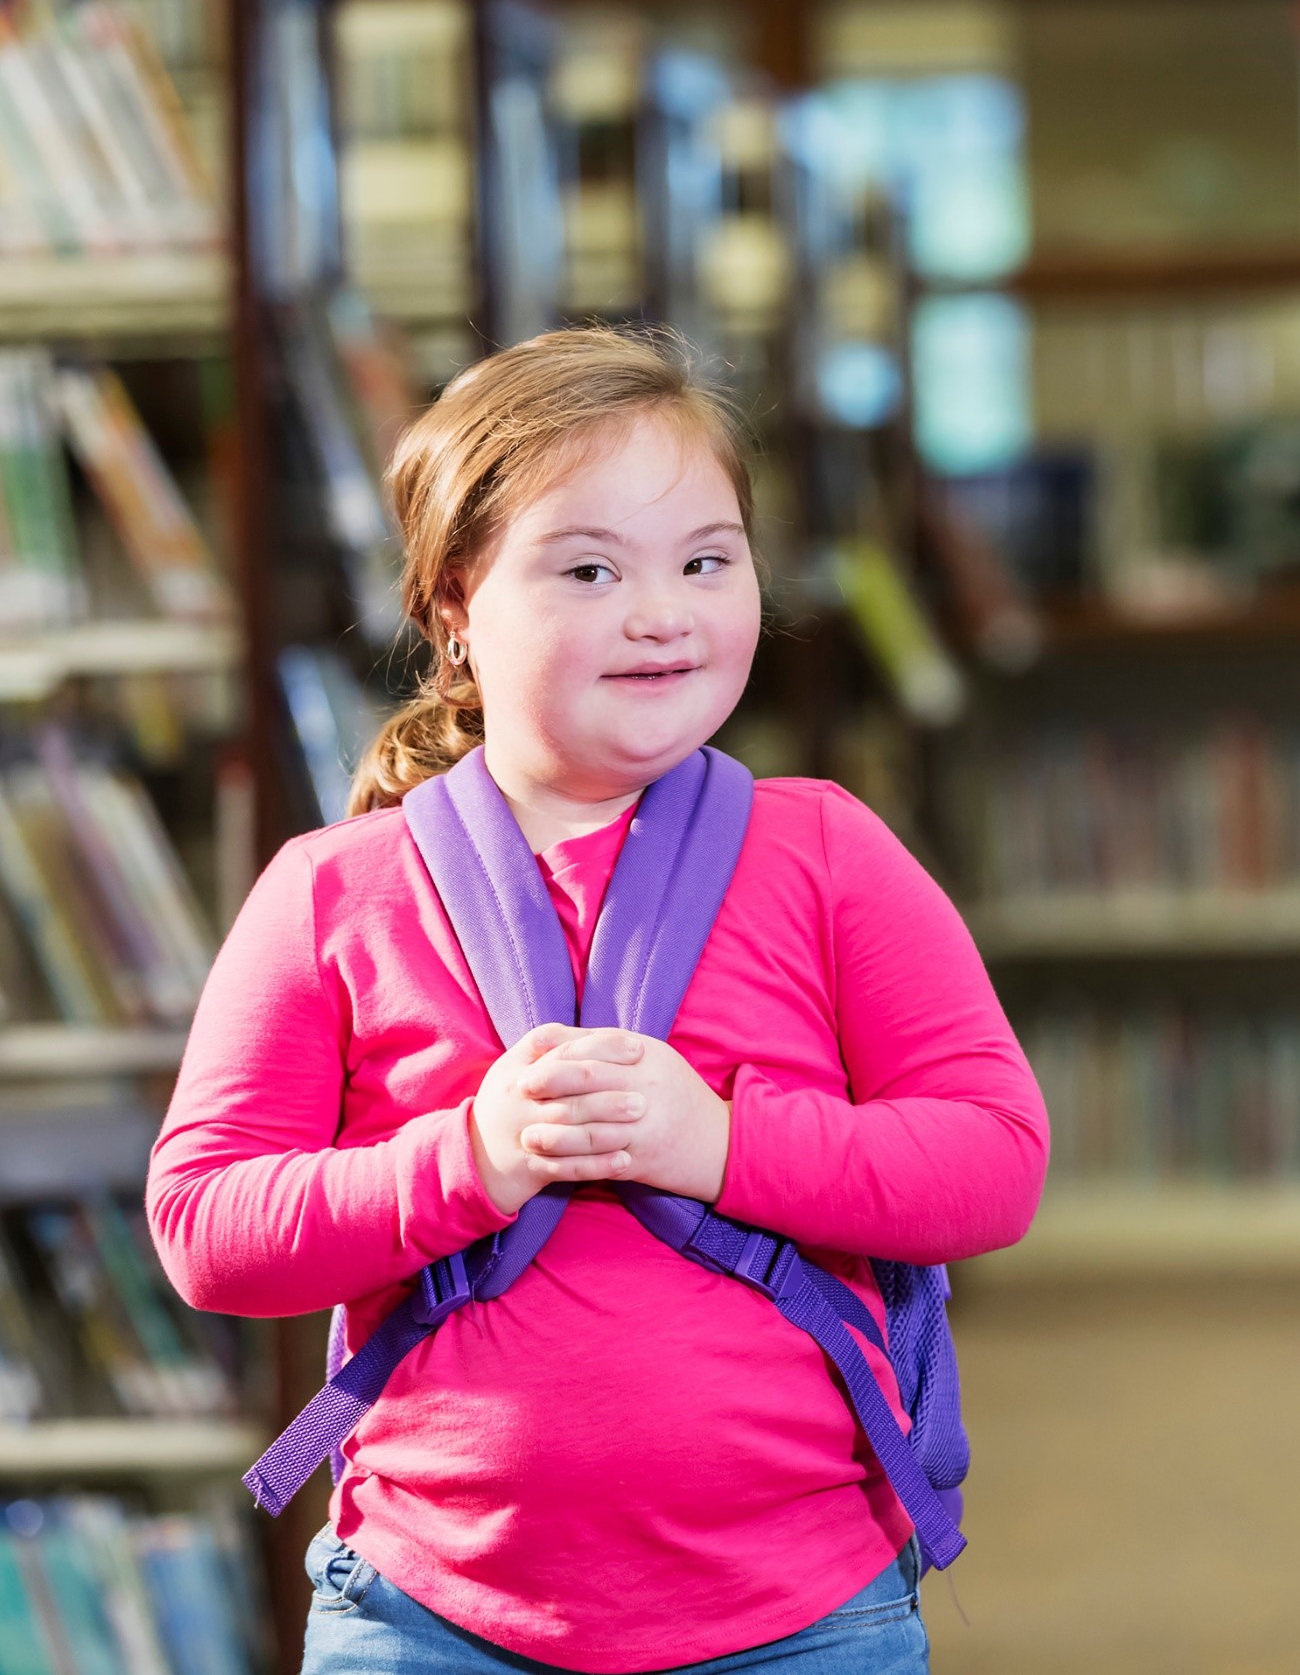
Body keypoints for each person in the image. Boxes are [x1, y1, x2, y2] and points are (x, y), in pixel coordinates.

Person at [147, 326, 1050, 1675]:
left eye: (707, 561)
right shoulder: (333, 891)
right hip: (426, 1617)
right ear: (453, 603)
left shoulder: (828, 853)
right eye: (588, 569)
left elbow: (992, 1163)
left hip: (802, 1613)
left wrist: (721, 1146)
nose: (662, 612)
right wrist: (465, 1161)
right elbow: (206, 1225)